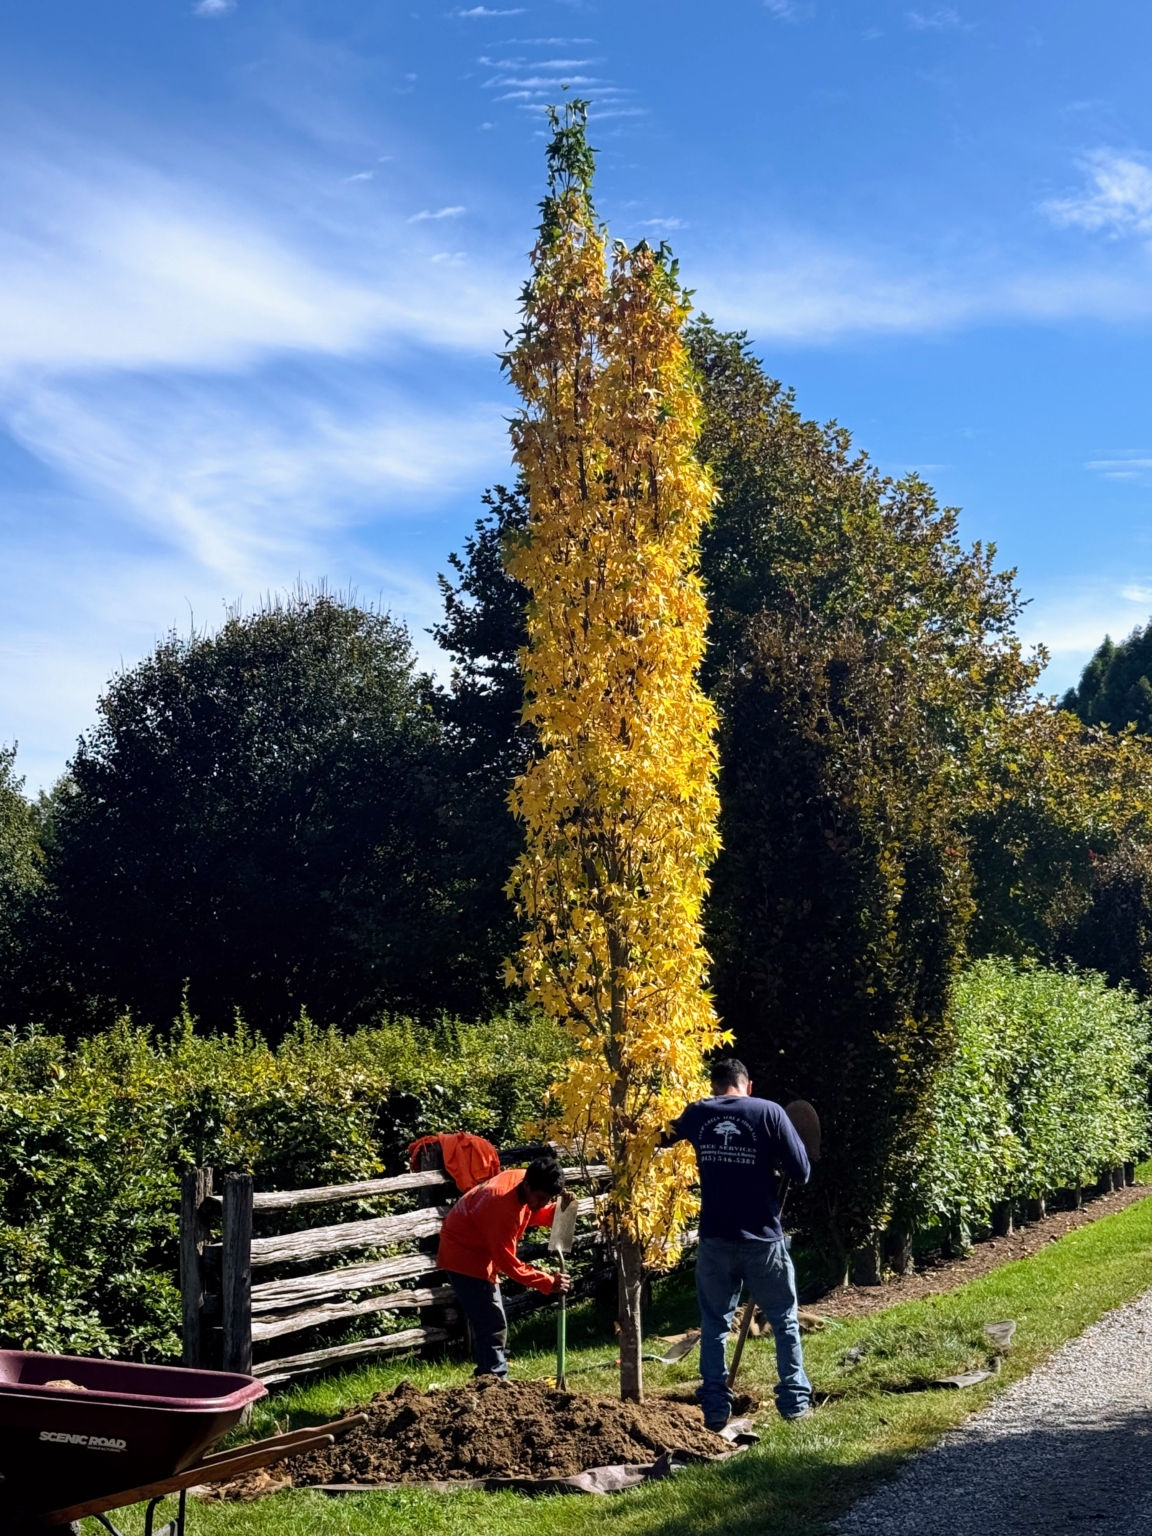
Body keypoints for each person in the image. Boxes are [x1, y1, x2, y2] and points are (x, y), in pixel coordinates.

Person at [666, 1057, 812, 1428]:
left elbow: (659, 1137)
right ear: (747, 1084)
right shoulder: (769, 1112)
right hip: (763, 1238)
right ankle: (794, 1403)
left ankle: (715, 1408)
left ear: (714, 1086)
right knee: (783, 1319)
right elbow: (802, 1172)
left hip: (715, 1237)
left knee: (714, 1324)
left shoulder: (700, 1112)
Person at [437, 1155, 572, 1378]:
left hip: (479, 1247)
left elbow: (532, 1212)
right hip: (464, 1255)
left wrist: (559, 1211)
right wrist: (549, 1282)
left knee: (492, 1322)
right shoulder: (501, 1206)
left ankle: (486, 1378)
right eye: (540, 1198)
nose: (541, 1203)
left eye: (547, 1199)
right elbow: (510, 1265)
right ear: (528, 1185)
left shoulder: (523, 1181)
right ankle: (495, 1381)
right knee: (491, 1323)